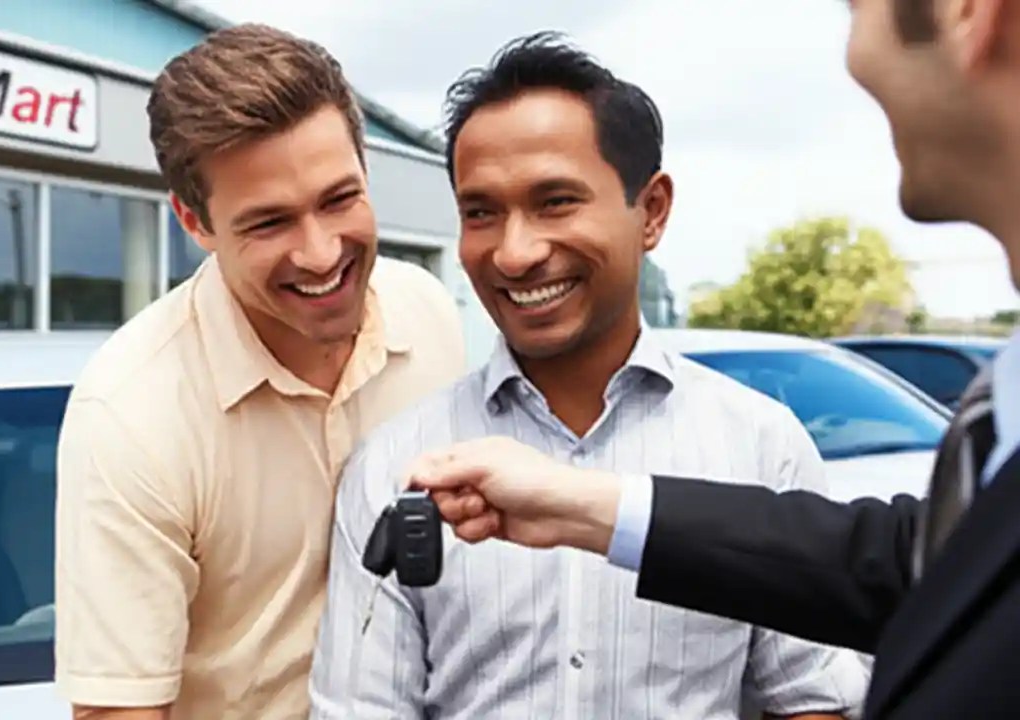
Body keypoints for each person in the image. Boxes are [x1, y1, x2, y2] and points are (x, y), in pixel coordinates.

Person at [410, 2, 1020, 719]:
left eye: (858, 7)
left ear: (970, 13)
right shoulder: (410, 451)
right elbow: (901, 563)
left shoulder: (762, 436)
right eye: (480, 211)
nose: (853, 54)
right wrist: (585, 506)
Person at [308, 32, 869, 720]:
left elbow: (811, 701)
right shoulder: (397, 466)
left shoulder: (758, 448)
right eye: (481, 212)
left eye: (555, 201)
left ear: (652, 210)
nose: (514, 253)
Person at [51, 23, 467, 720]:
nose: (320, 252)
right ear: (195, 221)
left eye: (340, 199)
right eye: (269, 223)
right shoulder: (130, 414)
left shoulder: (428, 316)